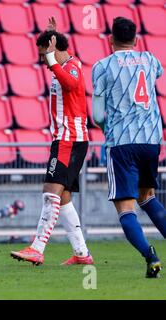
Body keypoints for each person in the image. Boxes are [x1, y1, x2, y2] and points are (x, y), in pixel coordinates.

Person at [10, 19, 93, 266]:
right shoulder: (62, 66)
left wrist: (52, 59)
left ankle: (37, 248)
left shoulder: (72, 66)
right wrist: (51, 37)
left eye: (44, 55)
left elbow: (71, 84)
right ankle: (82, 254)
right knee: (63, 197)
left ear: (54, 51)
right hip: (64, 139)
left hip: (70, 139)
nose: (43, 62)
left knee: (50, 192)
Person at [92, 17, 165, 278]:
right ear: (136, 40)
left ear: (110, 40)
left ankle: (150, 255)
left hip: (122, 142)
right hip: (151, 140)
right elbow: (157, 73)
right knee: (148, 196)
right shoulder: (150, 59)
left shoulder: (102, 67)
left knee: (126, 208)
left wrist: (107, 128)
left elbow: (97, 115)